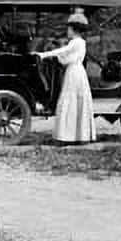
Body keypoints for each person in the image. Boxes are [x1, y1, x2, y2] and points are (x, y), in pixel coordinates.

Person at [36, 9, 96, 144]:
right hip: (74, 72)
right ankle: (75, 135)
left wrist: (43, 55)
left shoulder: (76, 42)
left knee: (71, 101)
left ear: (74, 29)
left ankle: (70, 136)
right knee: (73, 102)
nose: (67, 31)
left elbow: (63, 52)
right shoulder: (78, 42)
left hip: (75, 73)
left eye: (69, 28)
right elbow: (64, 57)